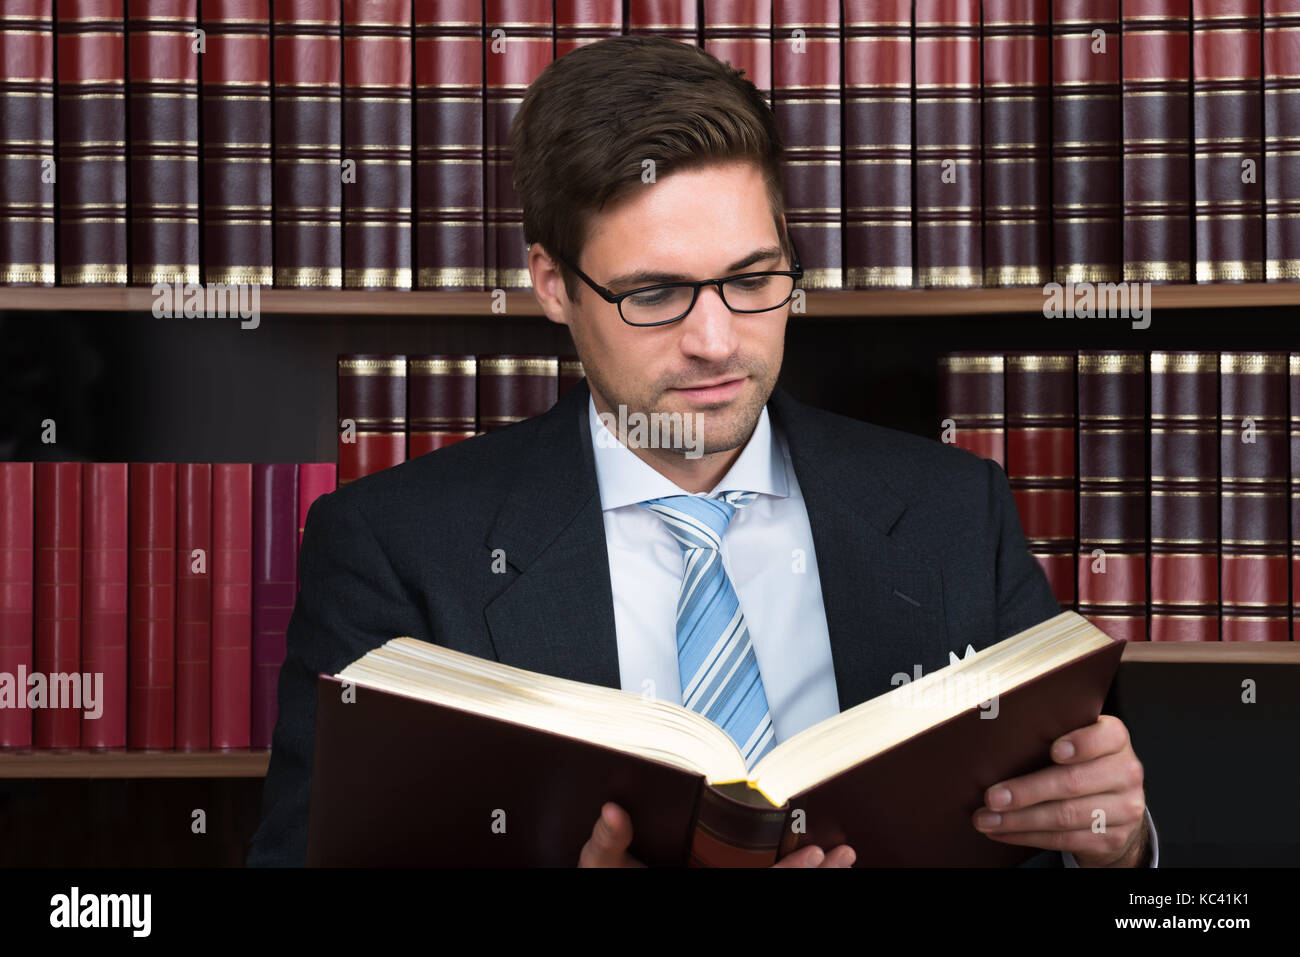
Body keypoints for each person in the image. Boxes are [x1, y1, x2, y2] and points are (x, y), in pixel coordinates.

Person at [247, 34, 1155, 868]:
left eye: (753, 280)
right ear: (553, 285)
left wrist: (1115, 848)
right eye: (655, 294)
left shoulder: (959, 512)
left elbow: (1072, 846)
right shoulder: (394, 547)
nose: (718, 342)